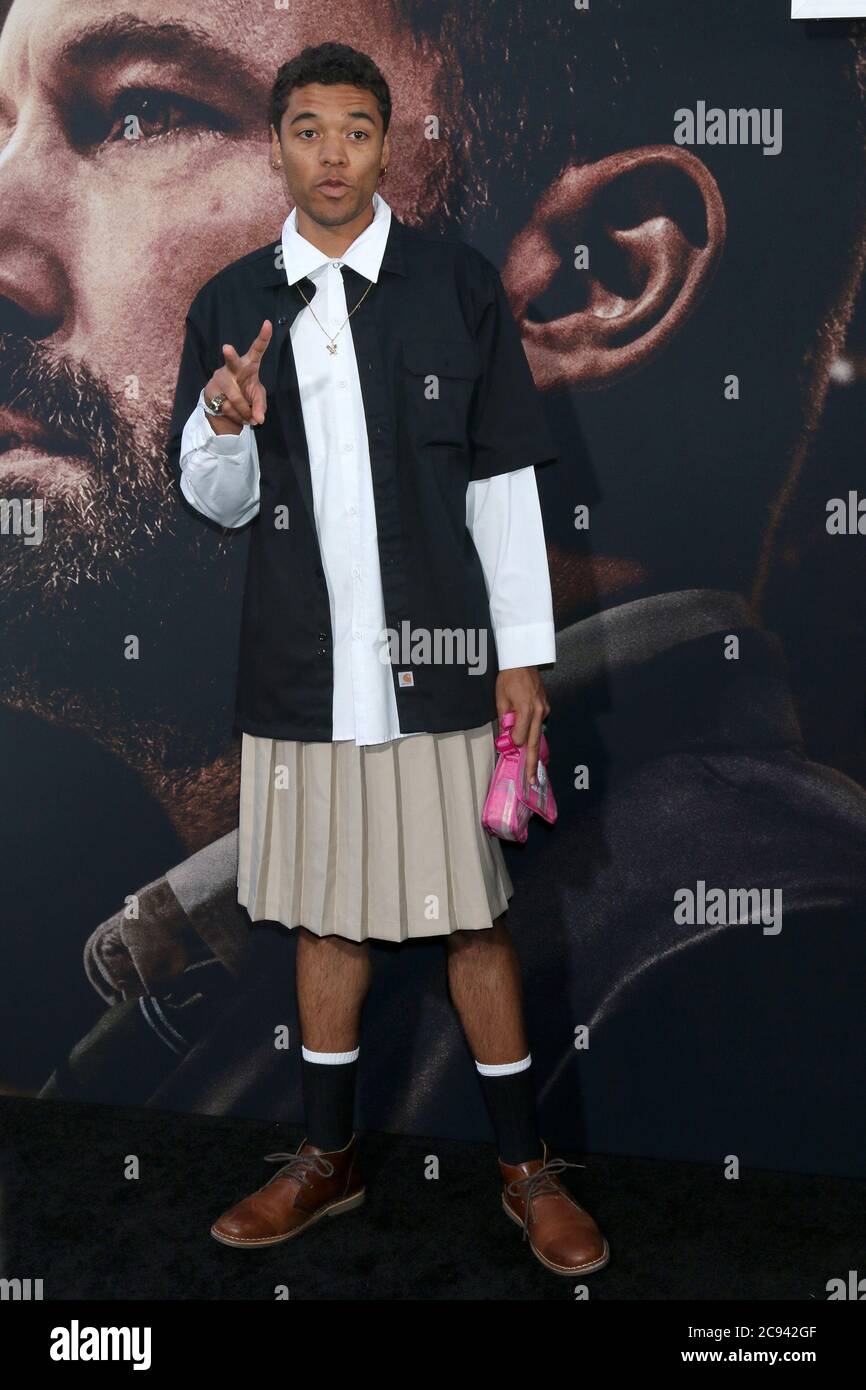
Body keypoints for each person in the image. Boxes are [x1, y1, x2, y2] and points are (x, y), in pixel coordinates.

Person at [168, 42, 609, 1276]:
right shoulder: (229, 303)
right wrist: (221, 423)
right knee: (323, 920)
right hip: (304, 683)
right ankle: (325, 1160)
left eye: (355, 131)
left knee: (470, 922)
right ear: (276, 144)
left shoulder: (455, 286)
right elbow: (212, 501)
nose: (330, 156)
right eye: (306, 130)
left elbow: (505, 485)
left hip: (444, 670)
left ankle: (526, 1170)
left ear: (386, 143)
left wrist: (522, 660)